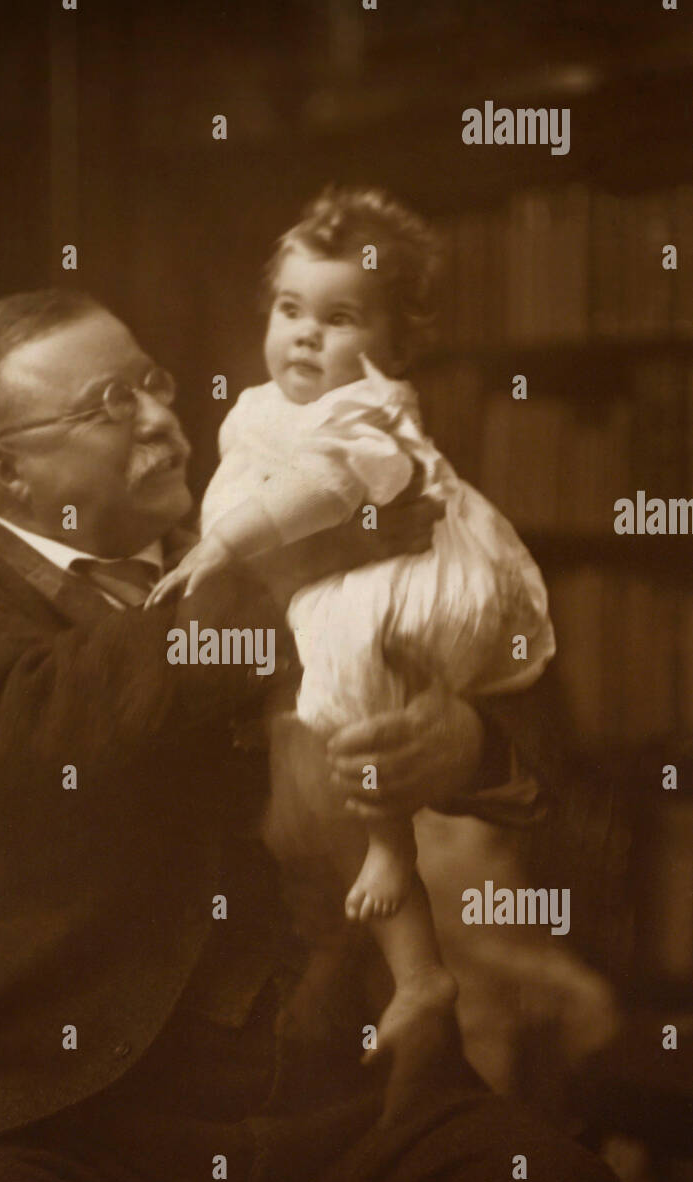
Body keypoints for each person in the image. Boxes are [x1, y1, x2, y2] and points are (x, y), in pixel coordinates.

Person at [0, 288, 635, 1182]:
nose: (157, 416)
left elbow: (510, 683)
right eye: (107, 404)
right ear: (6, 472)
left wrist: (471, 749)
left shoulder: (253, 540)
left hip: (322, 1095)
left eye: (153, 384)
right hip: (53, 1105)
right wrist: (243, 592)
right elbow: (33, 727)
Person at [149, 188, 556, 1051]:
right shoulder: (263, 416)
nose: (304, 333)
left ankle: (422, 982)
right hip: (260, 932)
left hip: (411, 609)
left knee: (348, 695)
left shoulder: (361, 411)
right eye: (290, 309)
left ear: (392, 347)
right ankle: (412, 983)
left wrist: (230, 548)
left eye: (338, 318)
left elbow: (326, 489)